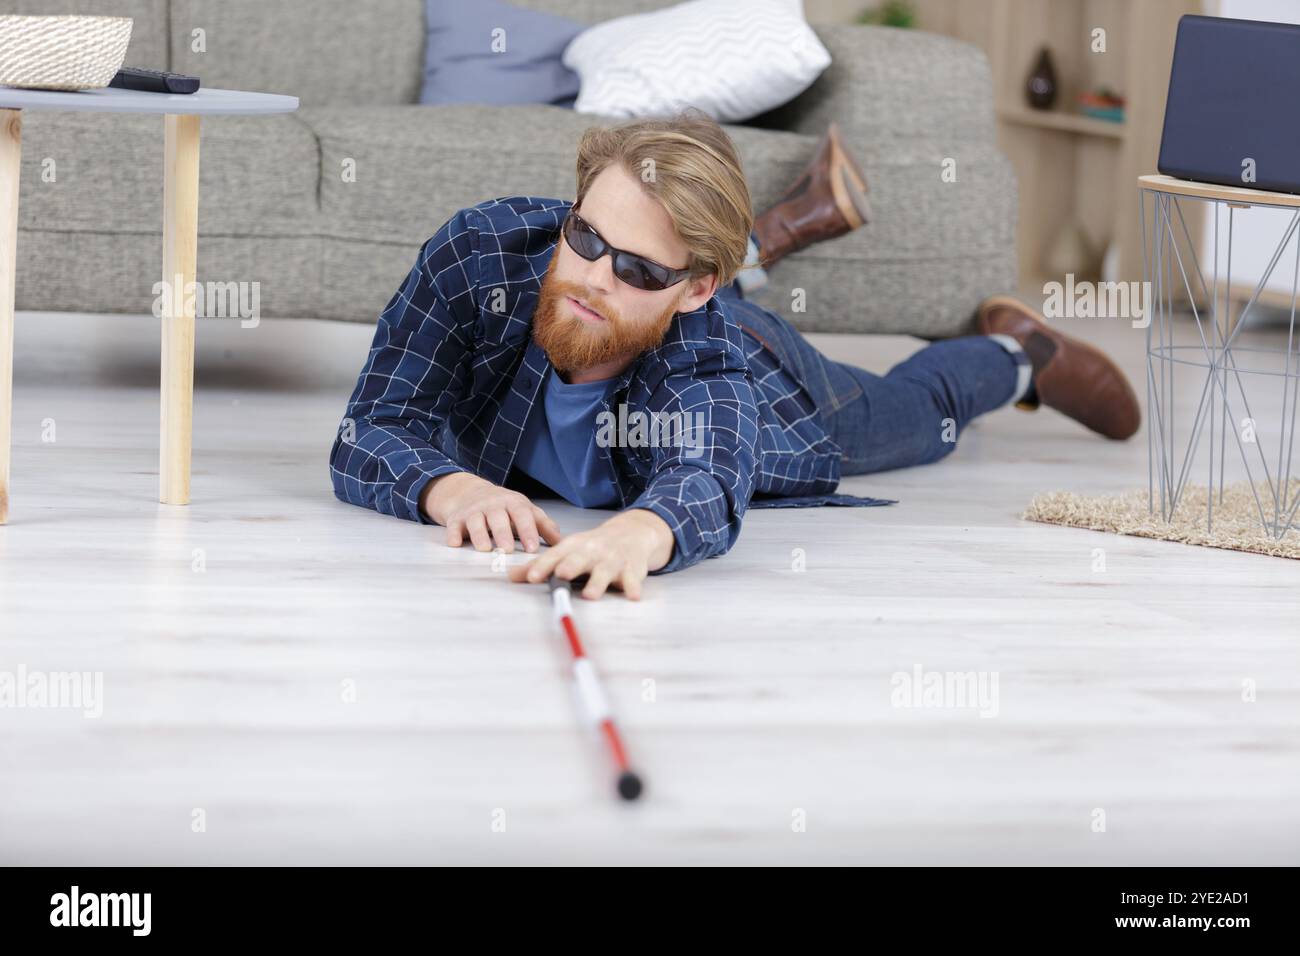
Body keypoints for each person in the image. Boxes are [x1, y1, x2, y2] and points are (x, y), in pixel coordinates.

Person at [329, 110, 1139, 601]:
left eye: (638, 269)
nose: (591, 277)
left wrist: (642, 533)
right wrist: (452, 488)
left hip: (771, 377)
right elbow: (371, 426)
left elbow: (707, 475)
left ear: (692, 291)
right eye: (585, 237)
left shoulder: (712, 353)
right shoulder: (481, 253)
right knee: (630, 275)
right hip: (695, 291)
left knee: (920, 418)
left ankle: (1018, 350)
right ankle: (779, 228)